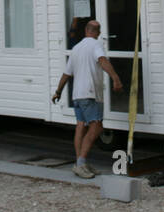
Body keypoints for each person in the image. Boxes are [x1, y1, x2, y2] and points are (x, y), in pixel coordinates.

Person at [52, 19, 122, 179]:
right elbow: (103, 61)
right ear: (97, 32)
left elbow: (66, 73)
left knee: (81, 126)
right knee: (97, 127)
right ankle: (81, 162)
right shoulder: (96, 45)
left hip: (77, 94)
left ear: (86, 31)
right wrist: (115, 78)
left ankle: (80, 163)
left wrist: (58, 91)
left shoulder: (76, 48)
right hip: (90, 93)